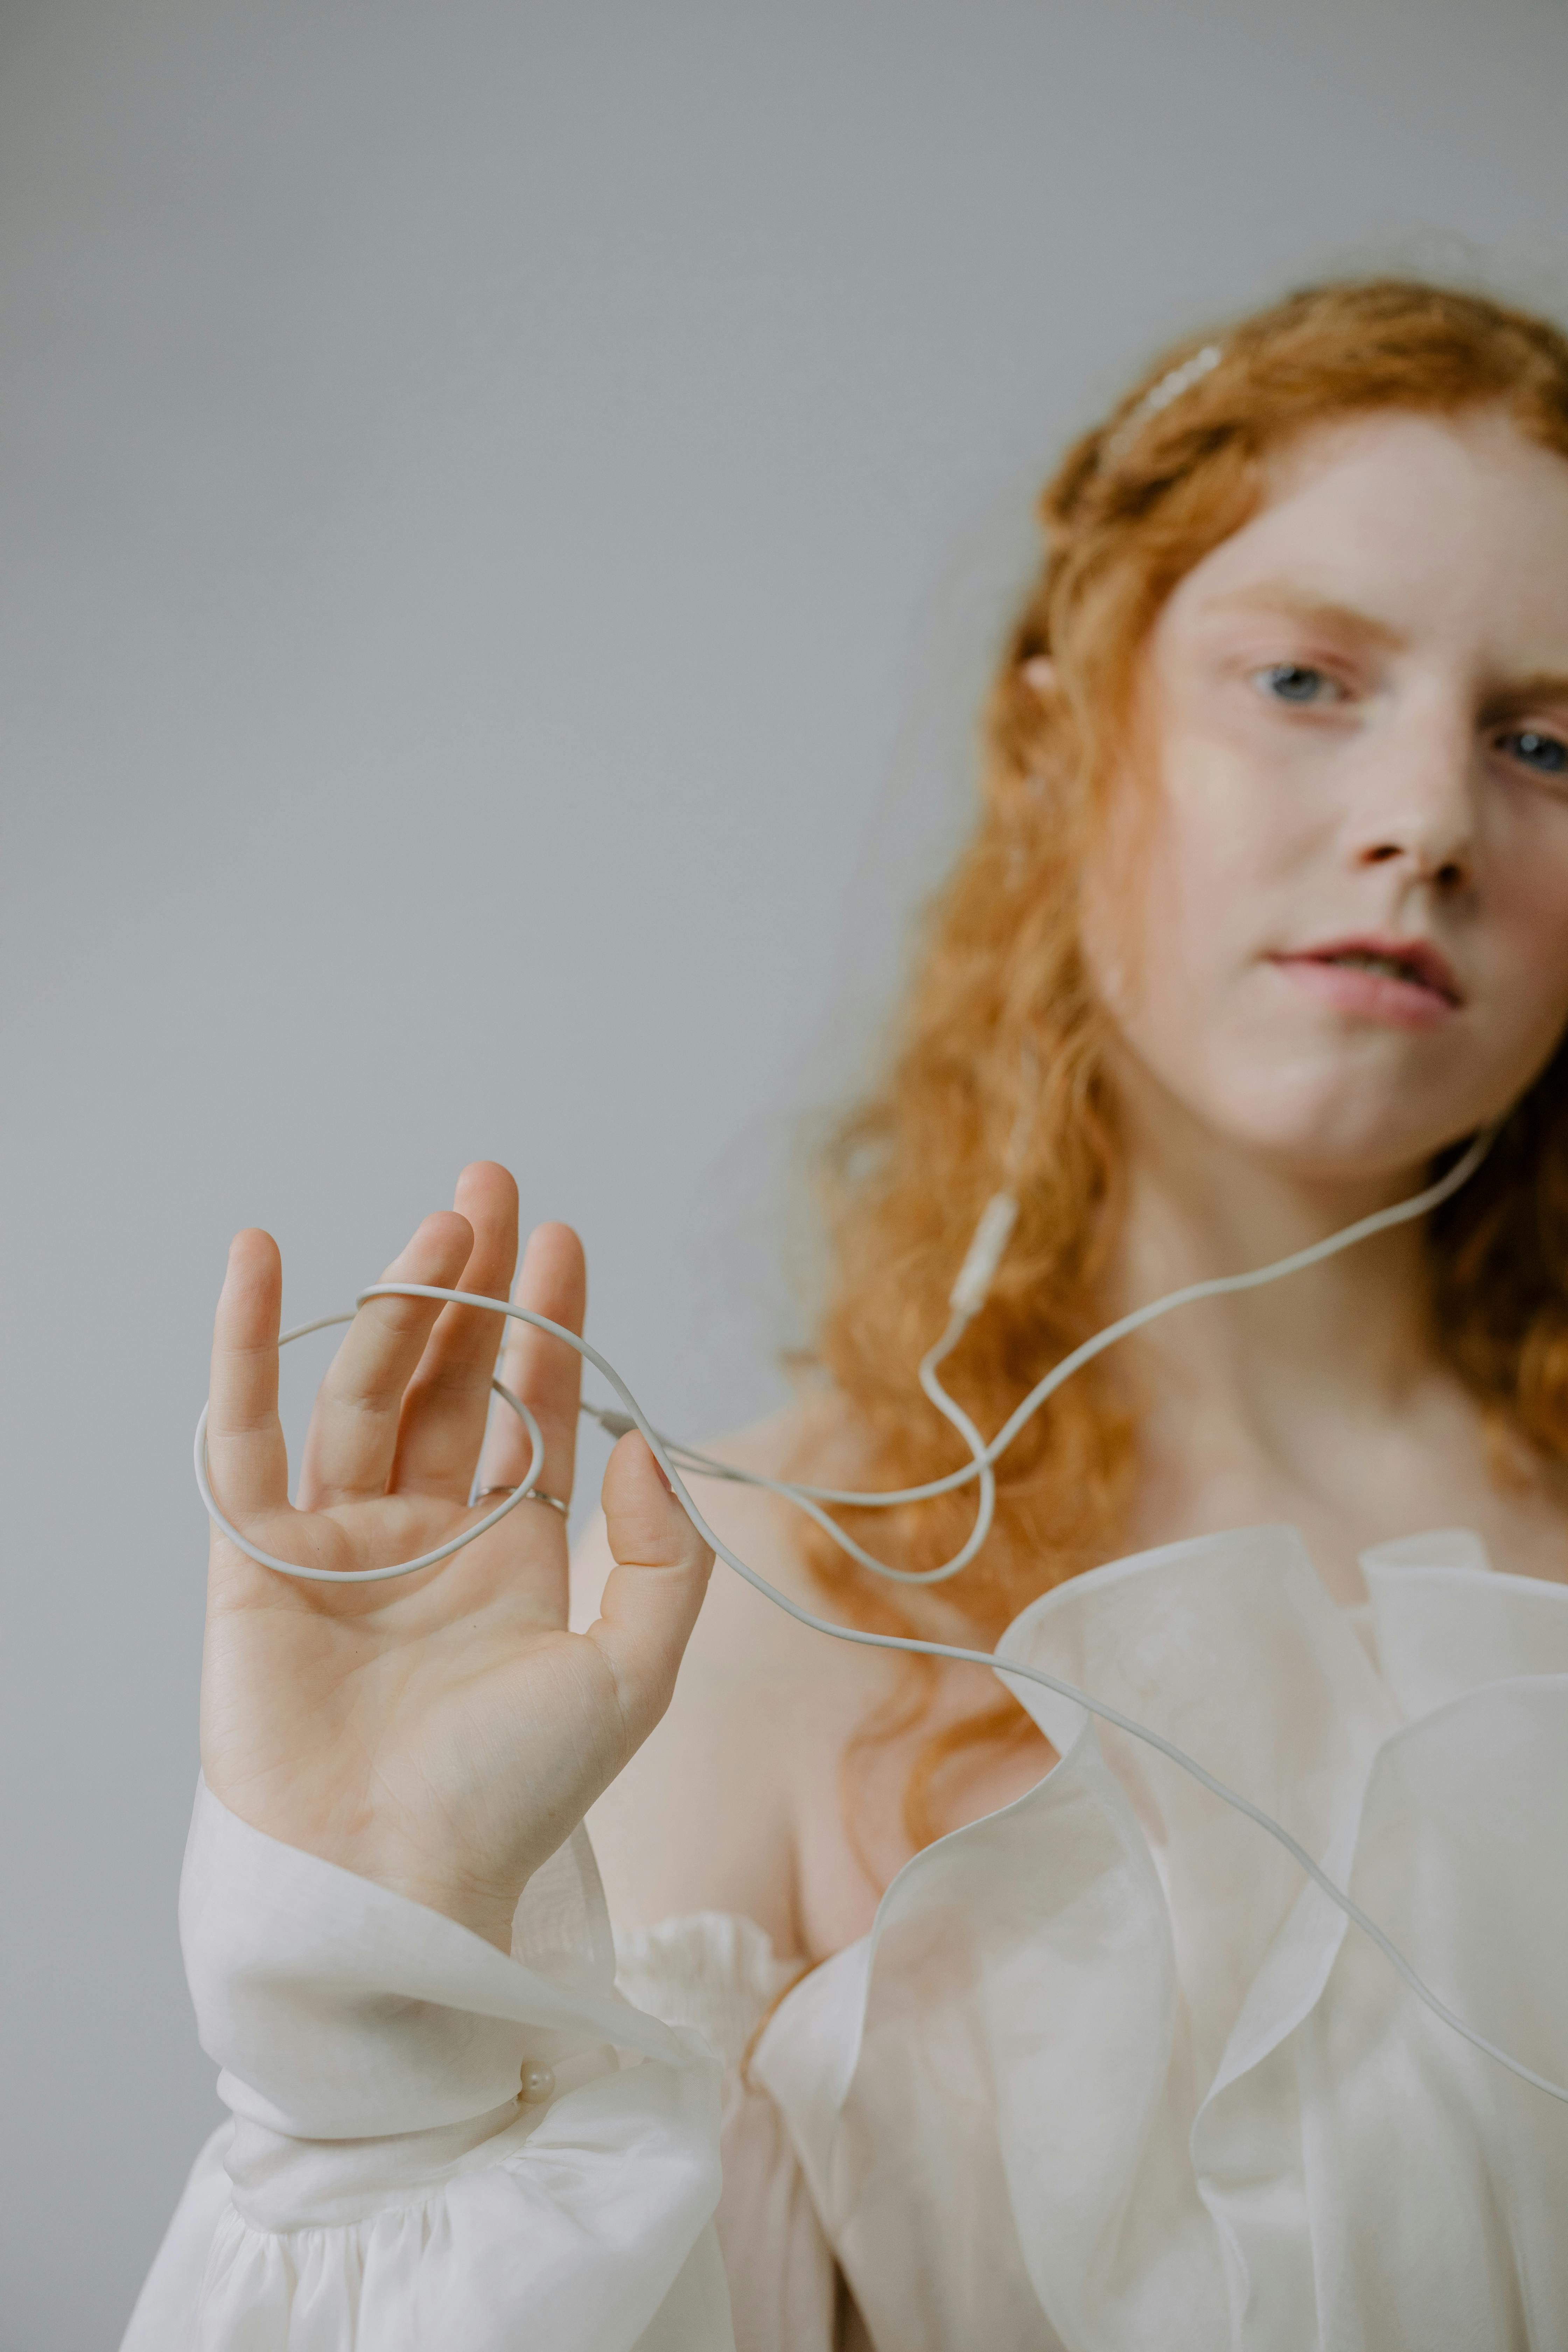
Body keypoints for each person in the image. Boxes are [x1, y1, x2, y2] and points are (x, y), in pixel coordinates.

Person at [125, 277, 1568, 2351]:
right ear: (1064, 721)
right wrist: (374, 2048)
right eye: (1309, 681)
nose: (1430, 820)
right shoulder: (763, 1601)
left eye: (1547, 739)